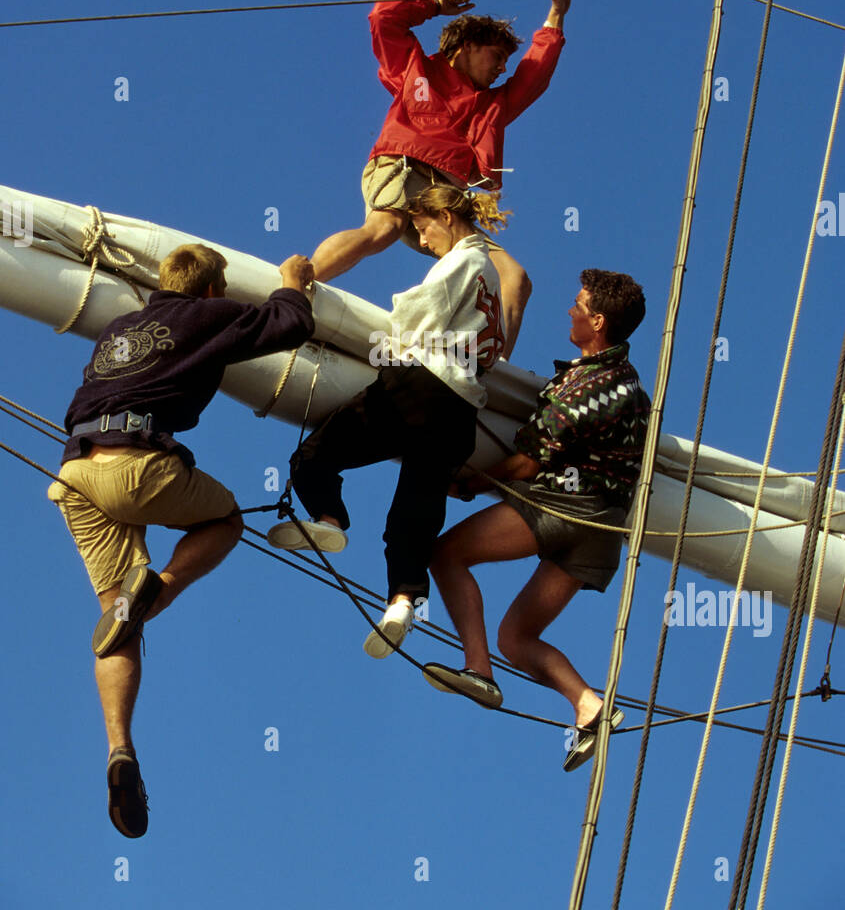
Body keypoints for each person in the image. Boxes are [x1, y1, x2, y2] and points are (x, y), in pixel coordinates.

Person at [48, 243, 315, 838]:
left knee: (117, 618)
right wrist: (294, 281)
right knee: (225, 524)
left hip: (76, 473)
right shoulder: (209, 315)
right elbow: (292, 322)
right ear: (215, 289)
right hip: (139, 468)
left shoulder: (119, 327)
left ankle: (120, 750)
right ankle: (160, 589)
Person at [425, 269, 650, 772]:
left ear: (597, 320)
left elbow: (526, 464)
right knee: (517, 638)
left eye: (577, 304)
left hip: (567, 508)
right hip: (602, 532)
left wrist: (468, 482)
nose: (569, 311)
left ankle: (478, 671)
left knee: (444, 553)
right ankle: (589, 707)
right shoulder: (630, 385)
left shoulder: (589, 386)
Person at [269, 184, 508, 658]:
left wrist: (391, 333)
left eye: (423, 228)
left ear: (445, 216)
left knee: (315, 456)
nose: (423, 241)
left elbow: (422, 311)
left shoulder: (465, 260)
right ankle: (402, 601)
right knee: (414, 516)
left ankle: (329, 518)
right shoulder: (491, 279)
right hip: (460, 411)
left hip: (418, 388)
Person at [310, 0, 579, 358]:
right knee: (384, 227)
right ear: (467, 47)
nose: (503, 67)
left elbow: (534, 75)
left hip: (448, 198)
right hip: (403, 167)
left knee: (515, 279)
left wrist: (556, 14)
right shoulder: (416, 69)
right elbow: (383, 17)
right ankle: (298, 285)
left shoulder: (493, 106)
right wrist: (433, 5)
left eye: (506, 61)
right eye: (496, 56)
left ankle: (494, 367)